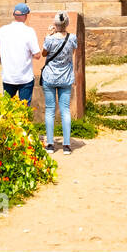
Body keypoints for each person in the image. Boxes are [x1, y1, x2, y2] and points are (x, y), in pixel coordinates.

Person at [0, 2, 40, 103]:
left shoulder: (3, 30)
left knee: (7, 109)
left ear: (13, 15)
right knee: (24, 110)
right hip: (25, 78)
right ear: (25, 16)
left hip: (8, 77)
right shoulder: (29, 31)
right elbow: (37, 55)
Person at [40, 11, 78, 154]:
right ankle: (66, 145)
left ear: (55, 24)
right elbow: (72, 53)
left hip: (50, 77)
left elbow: (44, 54)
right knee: (65, 110)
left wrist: (49, 35)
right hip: (65, 77)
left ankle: (50, 144)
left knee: (50, 110)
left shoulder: (49, 39)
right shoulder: (72, 38)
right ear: (67, 24)